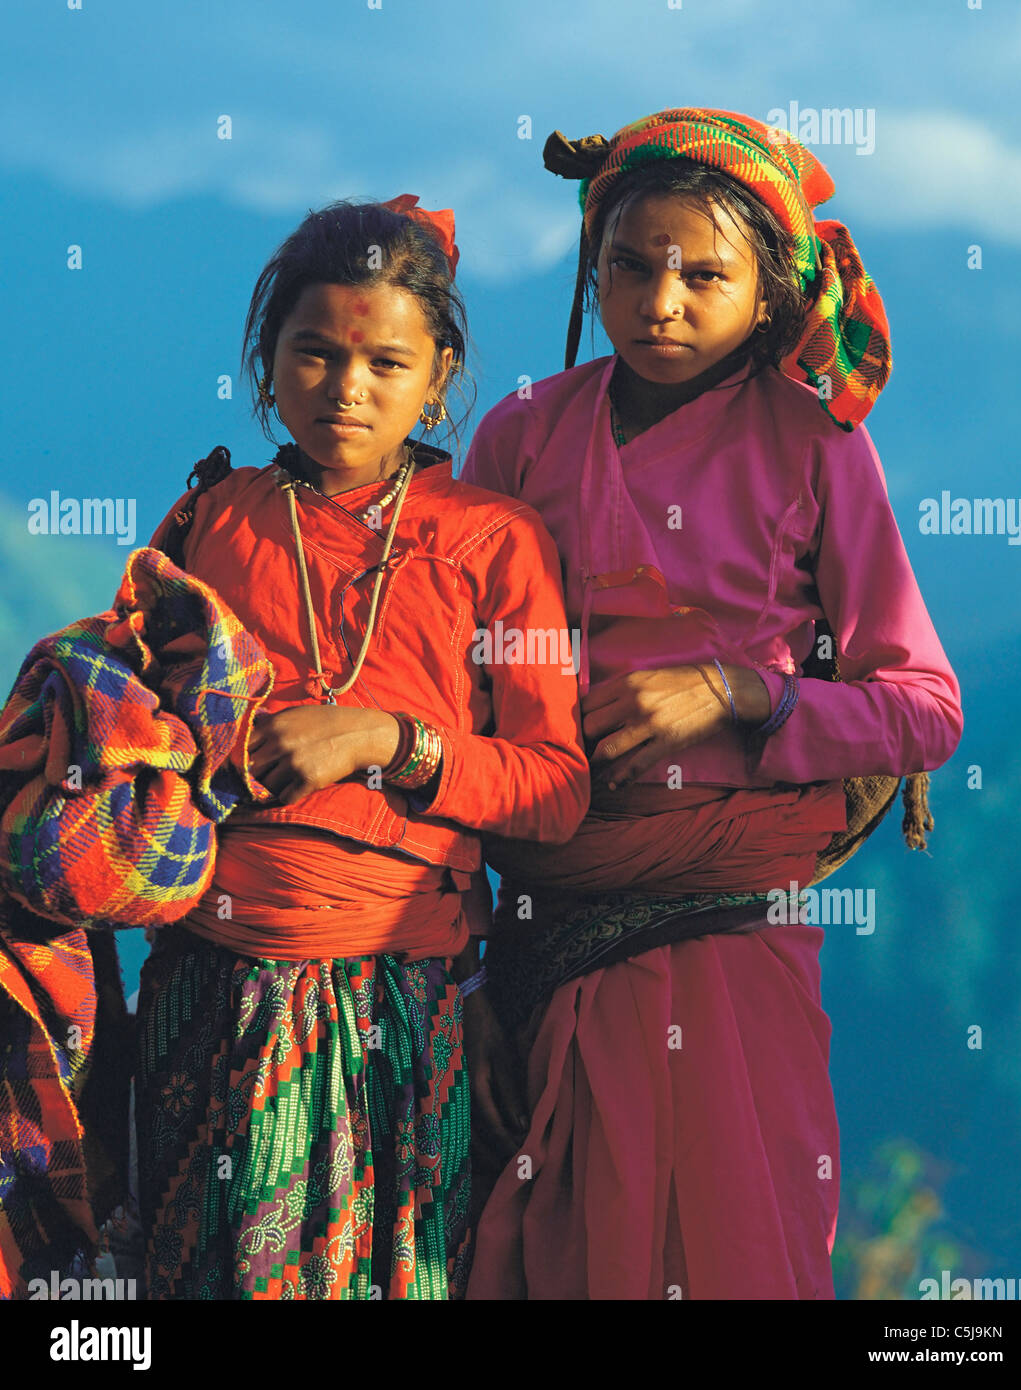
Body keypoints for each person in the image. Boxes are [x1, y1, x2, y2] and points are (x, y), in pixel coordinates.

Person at [459, 109, 963, 1300]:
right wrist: (463, 967)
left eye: (706, 273)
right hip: (539, 923)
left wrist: (743, 693)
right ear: (593, 263)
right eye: (630, 265)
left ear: (773, 291)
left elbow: (924, 704)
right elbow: (454, 703)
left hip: (722, 937)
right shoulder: (522, 435)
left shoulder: (816, 441)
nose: (662, 302)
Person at [132, 195, 590, 1300]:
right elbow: (127, 726)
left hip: (394, 991)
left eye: (387, 362)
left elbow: (556, 787)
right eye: (316, 353)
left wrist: (389, 739)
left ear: (439, 377)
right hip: (204, 981)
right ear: (267, 360)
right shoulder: (209, 524)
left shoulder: (492, 542)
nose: (347, 387)